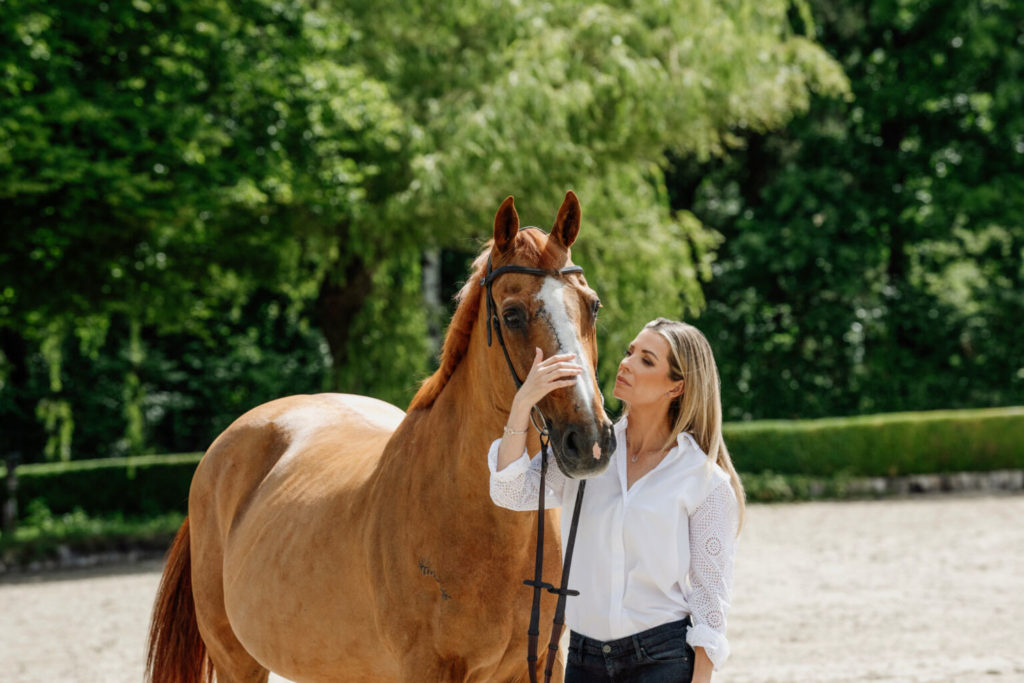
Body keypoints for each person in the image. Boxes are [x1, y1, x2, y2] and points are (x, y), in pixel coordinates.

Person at [489, 317, 744, 683]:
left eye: (646, 360)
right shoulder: (589, 453)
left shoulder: (703, 480)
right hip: (584, 659)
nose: (626, 363)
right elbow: (510, 492)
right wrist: (523, 403)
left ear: (676, 387)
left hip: (662, 659)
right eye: (630, 352)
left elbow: (710, 600)